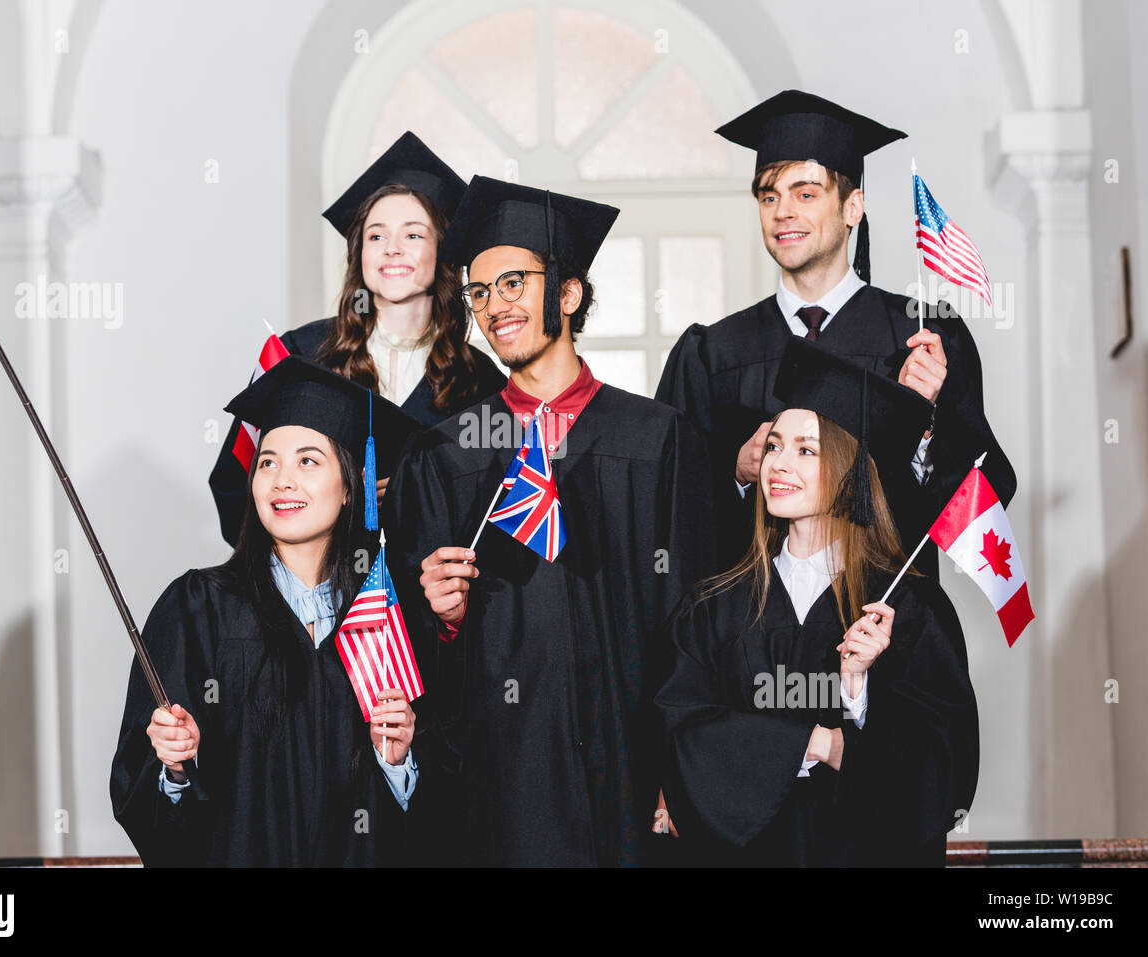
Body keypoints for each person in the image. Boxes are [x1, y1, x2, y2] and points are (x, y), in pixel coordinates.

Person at [385, 176, 716, 866]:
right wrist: (440, 617)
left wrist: (684, 769)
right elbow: (411, 657)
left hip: (631, 770)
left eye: (513, 283)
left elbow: (695, 620)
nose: (494, 306)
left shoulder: (658, 439)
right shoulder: (447, 456)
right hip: (501, 785)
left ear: (567, 293)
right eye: (479, 292)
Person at [656, 90, 1016, 578]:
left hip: (887, 623)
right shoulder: (713, 352)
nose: (782, 211)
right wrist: (737, 474)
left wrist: (924, 426)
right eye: (769, 196)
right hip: (754, 633)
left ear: (853, 208)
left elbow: (984, 503)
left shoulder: (922, 338)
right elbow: (669, 510)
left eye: (805, 193)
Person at [653, 337, 980, 866]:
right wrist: (817, 743)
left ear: (851, 469)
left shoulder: (907, 606)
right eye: (775, 445)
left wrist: (858, 694)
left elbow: (945, 765)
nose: (779, 465)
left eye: (806, 450)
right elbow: (681, 733)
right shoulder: (714, 604)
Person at [111, 356, 425, 866]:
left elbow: (448, 807)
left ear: (352, 487)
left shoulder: (389, 618)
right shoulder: (199, 610)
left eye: (307, 461)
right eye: (268, 462)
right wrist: (174, 765)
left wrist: (397, 765)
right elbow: (148, 800)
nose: (282, 480)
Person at [209, 131, 507, 546]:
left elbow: (497, 508)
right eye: (377, 235)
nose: (392, 249)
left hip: (432, 602)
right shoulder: (301, 355)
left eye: (414, 235)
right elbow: (236, 483)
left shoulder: (482, 380)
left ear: (443, 251)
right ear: (359, 253)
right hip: (323, 596)